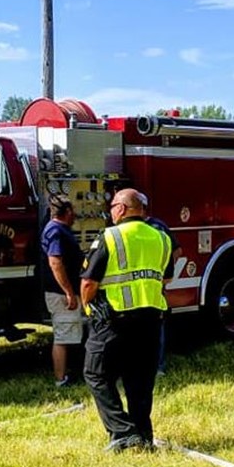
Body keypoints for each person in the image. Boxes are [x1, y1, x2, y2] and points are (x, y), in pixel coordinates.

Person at [80, 188, 174, 452]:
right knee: (140, 380)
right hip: (151, 318)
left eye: (112, 206)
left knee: (96, 373)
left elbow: (89, 282)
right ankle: (143, 435)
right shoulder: (162, 239)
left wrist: (88, 308)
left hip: (114, 318)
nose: (110, 211)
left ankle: (123, 432)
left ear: (121, 209)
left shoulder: (110, 237)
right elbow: (166, 278)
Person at [40, 195, 85, 387]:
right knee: (63, 337)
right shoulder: (56, 231)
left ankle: (68, 374)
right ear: (67, 212)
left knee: (69, 334)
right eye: (73, 211)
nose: (75, 215)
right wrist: (68, 291)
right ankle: (61, 379)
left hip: (62, 292)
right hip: (60, 295)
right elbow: (55, 262)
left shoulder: (56, 229)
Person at [138, 193, 182, 376]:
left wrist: (162, 271)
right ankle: (154, 366)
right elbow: (176, 251)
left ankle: (156, 366)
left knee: (154, 327)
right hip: (148, 286)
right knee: (153, 327)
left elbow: (177, 251)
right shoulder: (156, 226)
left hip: (148, 288)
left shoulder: (154, 227)